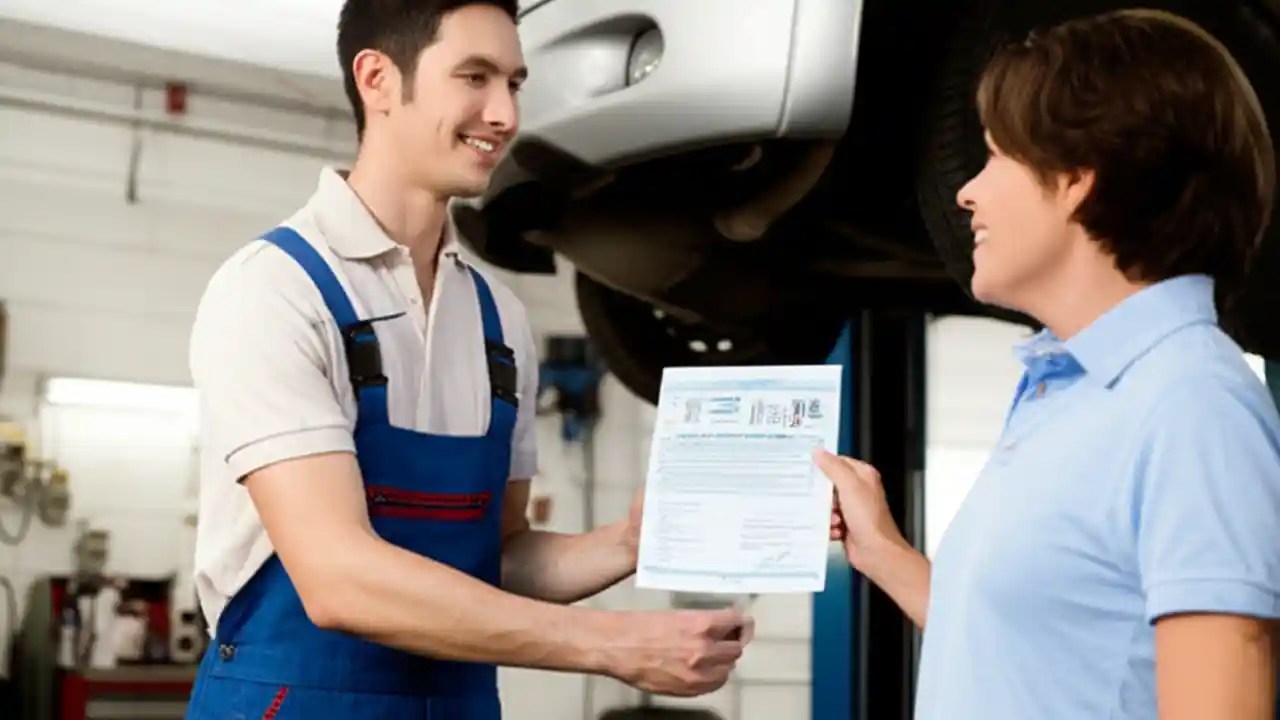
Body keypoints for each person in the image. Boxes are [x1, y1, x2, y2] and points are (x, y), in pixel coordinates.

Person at [182, 1, 752, 717]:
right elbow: (336, 578)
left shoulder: (498, 322)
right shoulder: (275, 291)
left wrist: (629, 541)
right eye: (474, 77)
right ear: (378, 79)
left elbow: (499, 554)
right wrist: (610, 644)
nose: (505, 114)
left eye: (514, 83)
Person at [816, 9, 1279, 720]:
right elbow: (1027, 656)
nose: (967, 191)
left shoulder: (1192, 405)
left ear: (1076, 179)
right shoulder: (1069, 391)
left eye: (997, 155)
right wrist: (881, 551)